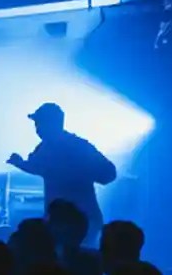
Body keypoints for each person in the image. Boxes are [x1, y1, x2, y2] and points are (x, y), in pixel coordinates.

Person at [7, 103, 117, 246]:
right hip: (63, 222)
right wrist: (20, 163)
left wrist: (77, 170)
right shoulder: (47, 147)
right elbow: (37, 166)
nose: (37, 129)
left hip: (81, 221)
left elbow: (109, 173)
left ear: (51, 124)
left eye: (39, 123)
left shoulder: (77, 146)